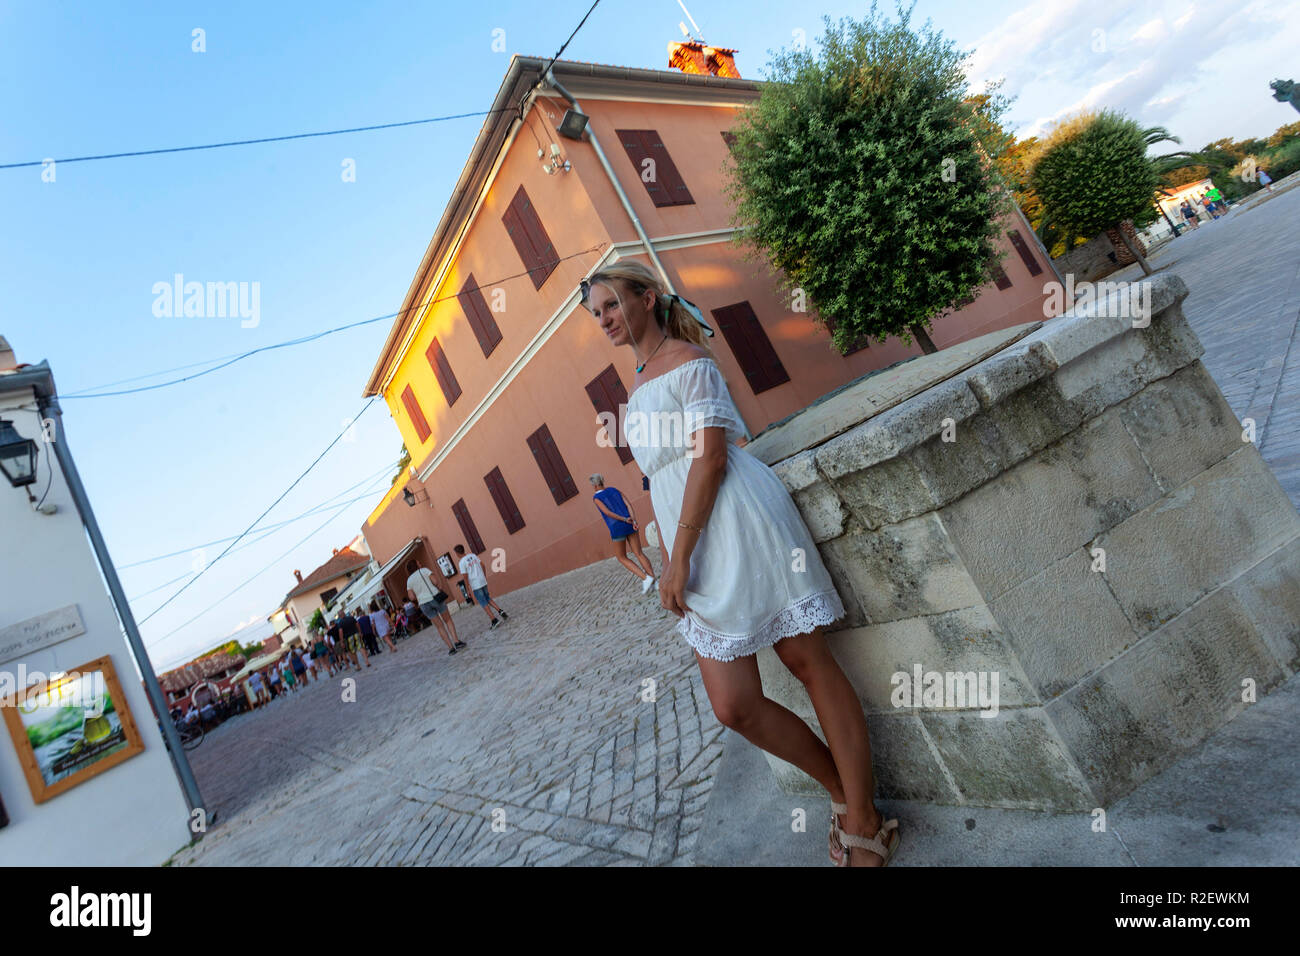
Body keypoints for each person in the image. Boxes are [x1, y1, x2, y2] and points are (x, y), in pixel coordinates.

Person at [580, 260, 899, 867]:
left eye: (613, 306)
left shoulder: (689, 362)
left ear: (647, 298)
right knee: (733, 705)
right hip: (692, 537)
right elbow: (664, 476)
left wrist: (680, 558)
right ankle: (839, 792)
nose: (605, 321)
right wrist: (673, 555)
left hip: (737, 519)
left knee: (806, 660)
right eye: (598, 313)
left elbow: (710, 459)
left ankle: (864, 817)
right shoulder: (640, 380)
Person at [590, 473, 657, 593]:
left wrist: (624, 519)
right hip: (630, 523)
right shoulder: (614, 490)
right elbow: (628, 504)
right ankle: (654, 581)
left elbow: (608, 513)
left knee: (621, 557)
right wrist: (633, 519)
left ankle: (646, 578)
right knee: (639, 553)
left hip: (617, 527)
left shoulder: (596, 498)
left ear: (594, 486)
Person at [406, 558, 465, 655]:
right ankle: (456, 641)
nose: (420, 563)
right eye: (418, 562)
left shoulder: (409, 580)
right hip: (434, 598)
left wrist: (420, 594)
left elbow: (411, 597)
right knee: (448, 620)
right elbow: (435, 581)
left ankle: (451, 648)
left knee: (439, 626)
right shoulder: (425, 570)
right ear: (416, 565)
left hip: (423, 604)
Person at [454, 544, 509, 629]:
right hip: (482, 580)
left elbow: (465, 577)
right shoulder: (473, 555)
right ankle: (500, 611)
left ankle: (494, 620)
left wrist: (467, 589)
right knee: (487, 598)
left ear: (457, 553)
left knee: (483, 602)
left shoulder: (461, 562)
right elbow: (483, 565)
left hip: (476, 584)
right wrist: (484, 576)